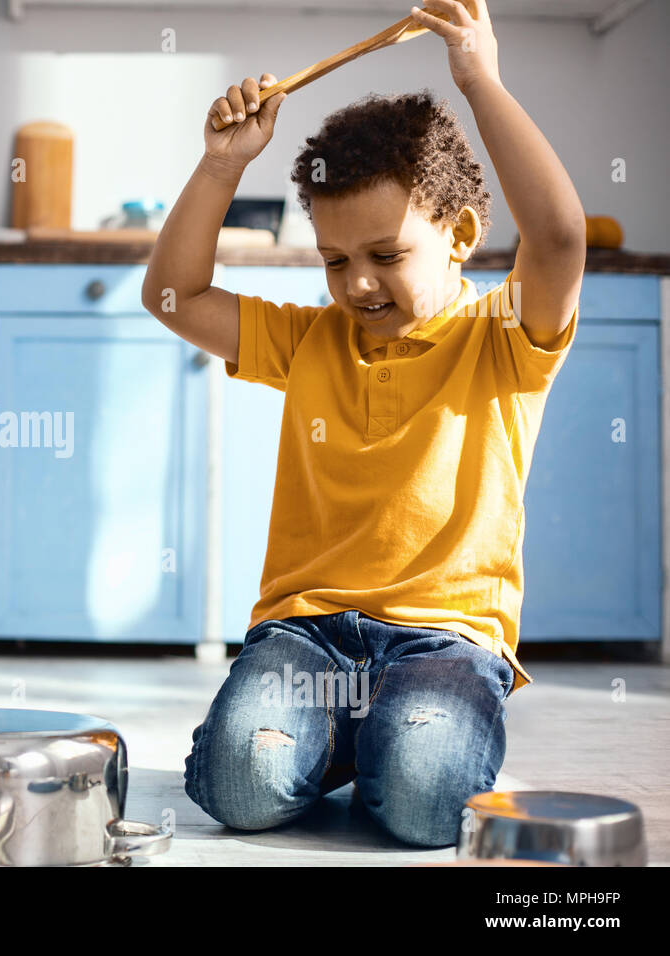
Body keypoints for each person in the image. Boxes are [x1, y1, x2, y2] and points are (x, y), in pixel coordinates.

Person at [142, 0, 584, 845]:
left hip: (446, 641)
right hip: (308, 635)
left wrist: (479, 79)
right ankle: (349, 740)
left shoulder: (504, 337)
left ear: (459, 235)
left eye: (386, 255)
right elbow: (174, 297)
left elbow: (560, 236)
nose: (358, 285)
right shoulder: (310, 339)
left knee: (425, 808)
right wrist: (219, 167)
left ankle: (384, 742)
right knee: (241, 788)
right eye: (336, 261)